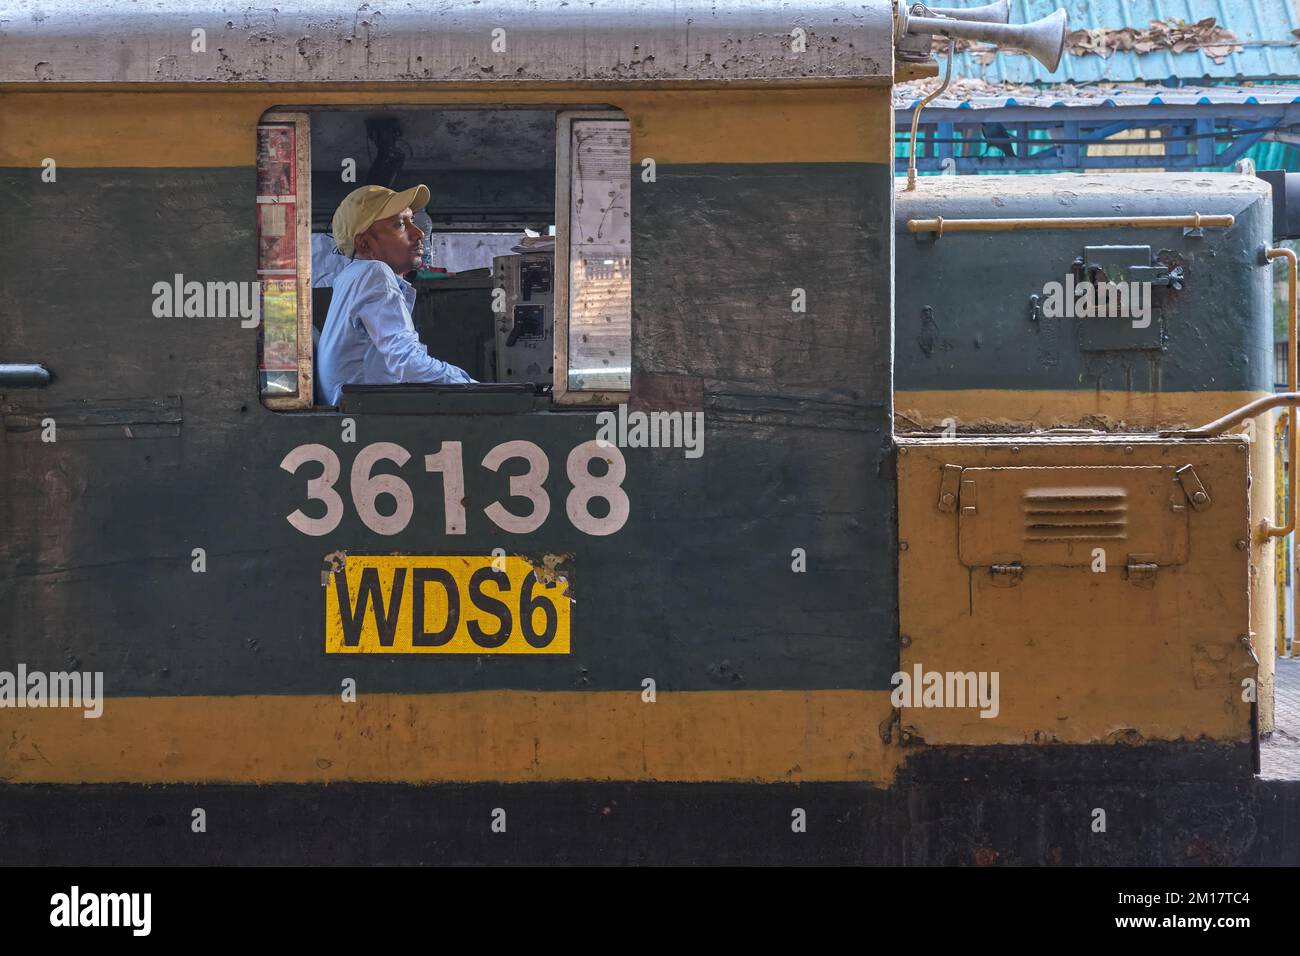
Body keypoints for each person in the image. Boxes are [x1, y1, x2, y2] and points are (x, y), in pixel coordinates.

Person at [317, 184, 475, 405]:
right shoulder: (374, 272)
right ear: (364, 243)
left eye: (412, 220)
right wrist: (474, 387)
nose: (418, 232)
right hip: (368, 424)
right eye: (400, 224)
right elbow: (409, 364)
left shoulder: (349, 277)